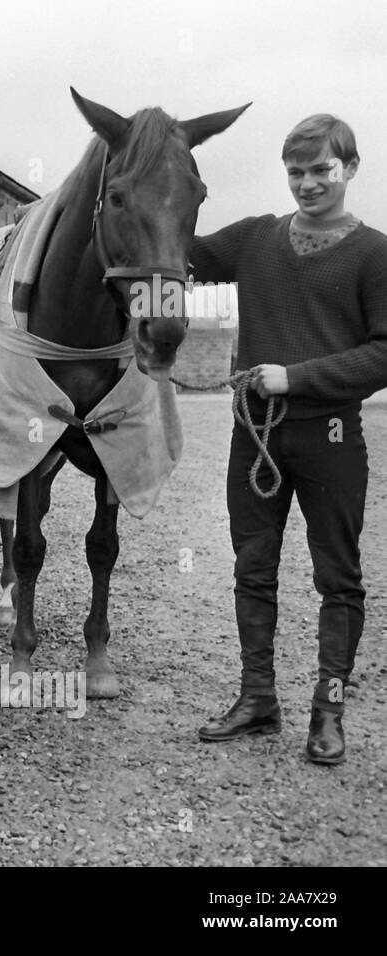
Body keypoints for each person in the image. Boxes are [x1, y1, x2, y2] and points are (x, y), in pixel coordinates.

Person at [193, 114, 387, 765]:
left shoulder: (375, 254)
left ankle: (328, 713)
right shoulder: (255, 239)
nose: (307, 183)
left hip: (331, 438)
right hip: (256, 440)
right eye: (296, 171)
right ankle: (258, 699)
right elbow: (176, 255)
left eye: (321, 170)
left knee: (339, 579)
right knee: (253, 568)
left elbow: (384, 353)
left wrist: (293, 378)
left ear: (350, 168)